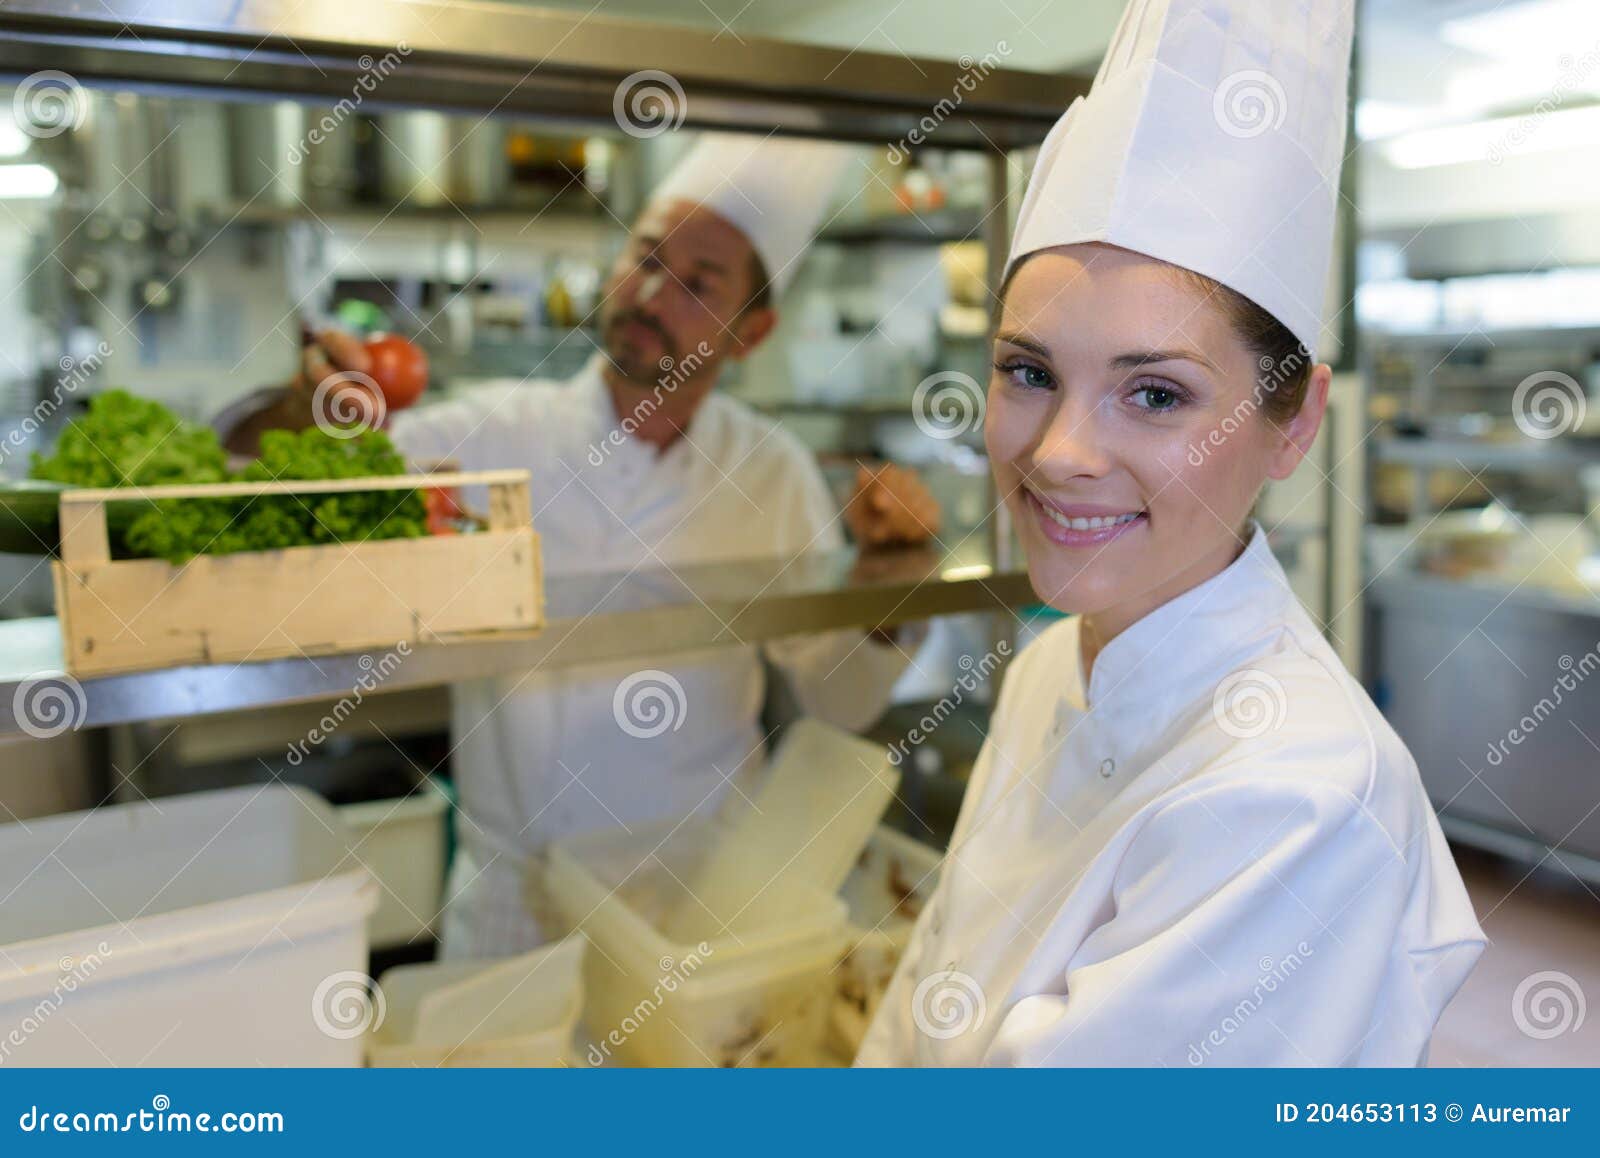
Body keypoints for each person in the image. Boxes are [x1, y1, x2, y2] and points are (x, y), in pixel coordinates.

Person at [857, 0, 1484, 1066]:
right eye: (1029, 372)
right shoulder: (1051, 663)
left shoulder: (1299, 801)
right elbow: (930, 989)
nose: (1058, 452)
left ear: (1293, 424)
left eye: (1154, 394)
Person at [221, 134, 941, 956]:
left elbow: (837, 702)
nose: (650, 293)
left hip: (692, 907)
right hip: (513, 913)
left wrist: (892, 578)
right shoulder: (493, 432)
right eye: (645, 258)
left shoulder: (770, 472)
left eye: (698, 285)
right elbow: (255, 473)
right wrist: (298, 403)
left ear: (752, 332)